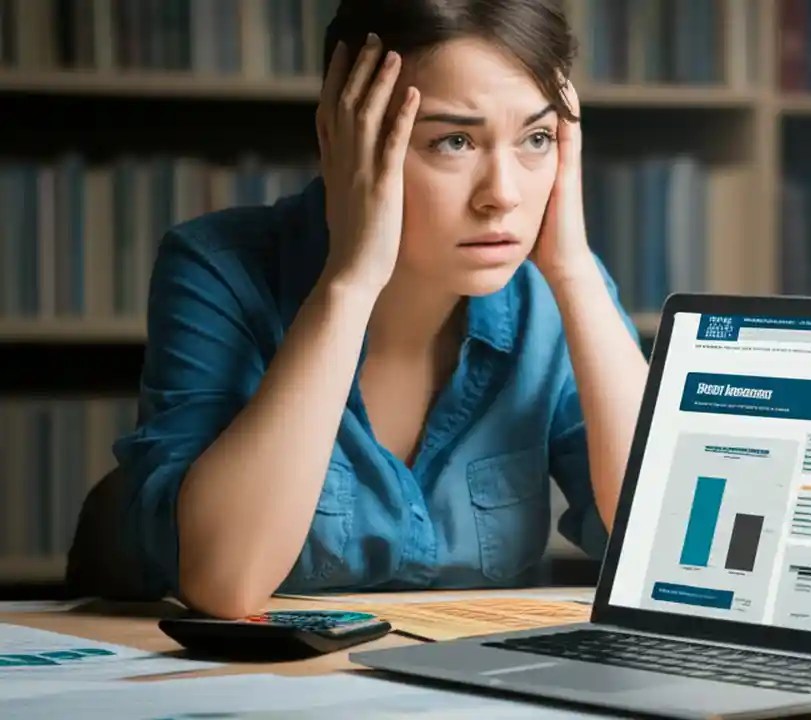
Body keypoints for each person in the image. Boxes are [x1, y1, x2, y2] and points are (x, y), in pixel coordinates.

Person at [110, 0, 648, 619]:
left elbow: (666, 549)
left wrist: (575, 271)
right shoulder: (217, 269)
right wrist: (350, 280)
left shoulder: (553, 295)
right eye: (454, 141)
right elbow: (224, 582)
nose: (503, 194)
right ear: (342, 137)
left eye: (536, 138)